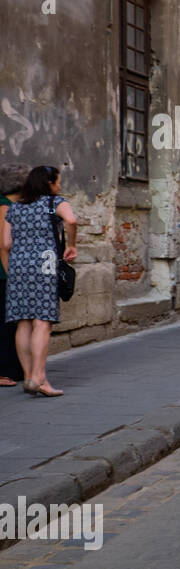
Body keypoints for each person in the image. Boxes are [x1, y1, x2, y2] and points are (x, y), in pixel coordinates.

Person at [0, 165, 77, 396]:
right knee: (42, 322)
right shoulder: (54, 203)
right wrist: (72, 245)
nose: (60, 186)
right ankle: (39, 378)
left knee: (23, 322)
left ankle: (27, 377)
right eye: (58, 181)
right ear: (49, 183)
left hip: (18, 268)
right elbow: (71, 220)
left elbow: (5, 244)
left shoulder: (15, 208)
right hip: (44, 266)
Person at [0, 163, 31, 388]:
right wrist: (11, 276)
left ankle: (14, 369)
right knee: (5, 322)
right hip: (3, 272)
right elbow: (4, 246)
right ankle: (3, 372)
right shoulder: (4, 207)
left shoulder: (13, 206)